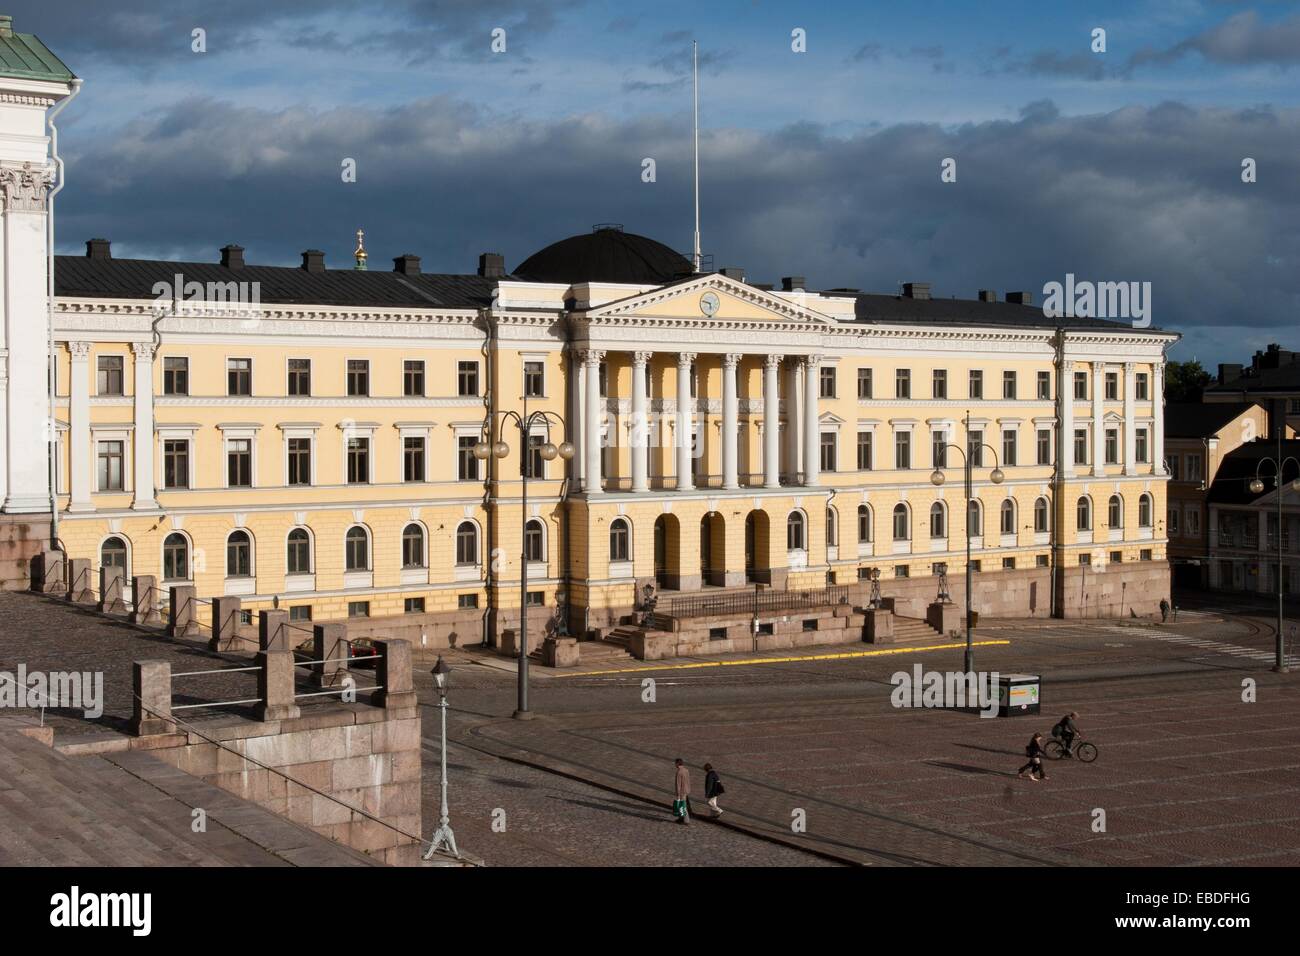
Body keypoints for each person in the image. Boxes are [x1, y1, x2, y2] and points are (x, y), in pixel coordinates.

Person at [673, 758, 691, 825]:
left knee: (683, 806)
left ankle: (686, 820)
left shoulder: (679, 772)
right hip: (686, 790)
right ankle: (681, 818)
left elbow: (678, 784)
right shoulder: (686, 770)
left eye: (675, 763)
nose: (675, 764)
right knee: (681, 805)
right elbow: (688, 781)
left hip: (681, 791)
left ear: (677, 763)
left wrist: (677, 793)